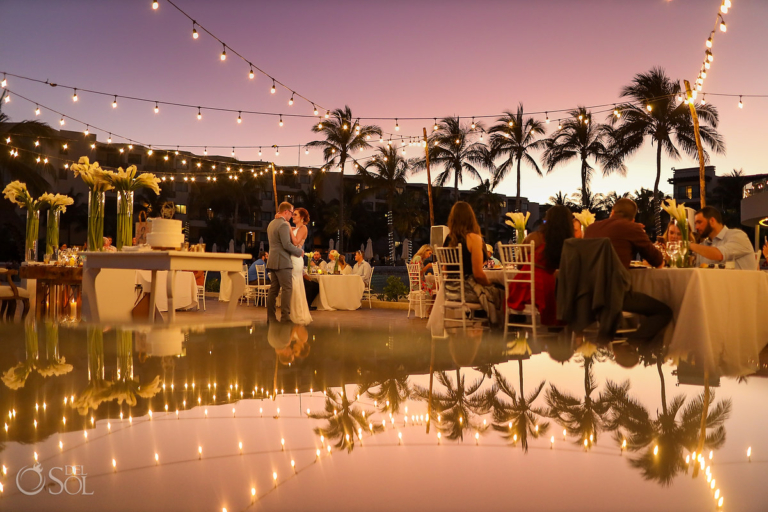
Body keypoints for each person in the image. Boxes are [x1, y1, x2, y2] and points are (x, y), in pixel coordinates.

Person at [585, 198, 672, 342]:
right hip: (613, 296)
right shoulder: (632, 228)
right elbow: (658, 262)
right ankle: (632, 345)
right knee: (664, 312)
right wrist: (636, 230)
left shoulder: (591, 228)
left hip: (587, 294)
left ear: (612, 212)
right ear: (633, 218)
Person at [508, 205, 573, 325]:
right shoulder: (566, 242)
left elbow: (519, 264)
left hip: (521, 285)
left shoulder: (534, 237)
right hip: (542, 287)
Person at [443, 201, 502, 326]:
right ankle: (498, 331)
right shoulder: (474, 239)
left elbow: (444, 270)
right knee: (501, 293)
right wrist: (491, 283)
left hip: (449, 291)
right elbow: (478, 274)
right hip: (468, 291)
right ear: (471, 218)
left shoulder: (448, 239)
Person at [266, 202, 305, 323]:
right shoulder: (283, 225)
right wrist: (299, 252)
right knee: (287, 289)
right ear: (286, 211)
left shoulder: (271, 223)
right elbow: (286, 245)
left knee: (273, 290)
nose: (292, 215)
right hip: (282, 261)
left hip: (273, 260)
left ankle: (271, 316)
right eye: (292, 213)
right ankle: (285, 316)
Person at [690, 206, 755, 270]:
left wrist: (688, 244)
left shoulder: (737, 235)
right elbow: (698, 271)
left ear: (712, 221)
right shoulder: (704, 245)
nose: (696, 227)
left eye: (699, 222)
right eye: (695, 223)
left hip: (742, 280)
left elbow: (719, 255)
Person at [287, 207, 312, 325]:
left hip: (296, 259)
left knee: (296, 283)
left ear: (302, 217)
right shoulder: (294, 228)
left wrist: (289, 229)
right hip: (290, 258)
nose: (293, 216)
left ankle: (298, 314)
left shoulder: (303, 228)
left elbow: (296, 242)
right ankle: (292, 312)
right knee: (292, 285)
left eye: (295, 214)